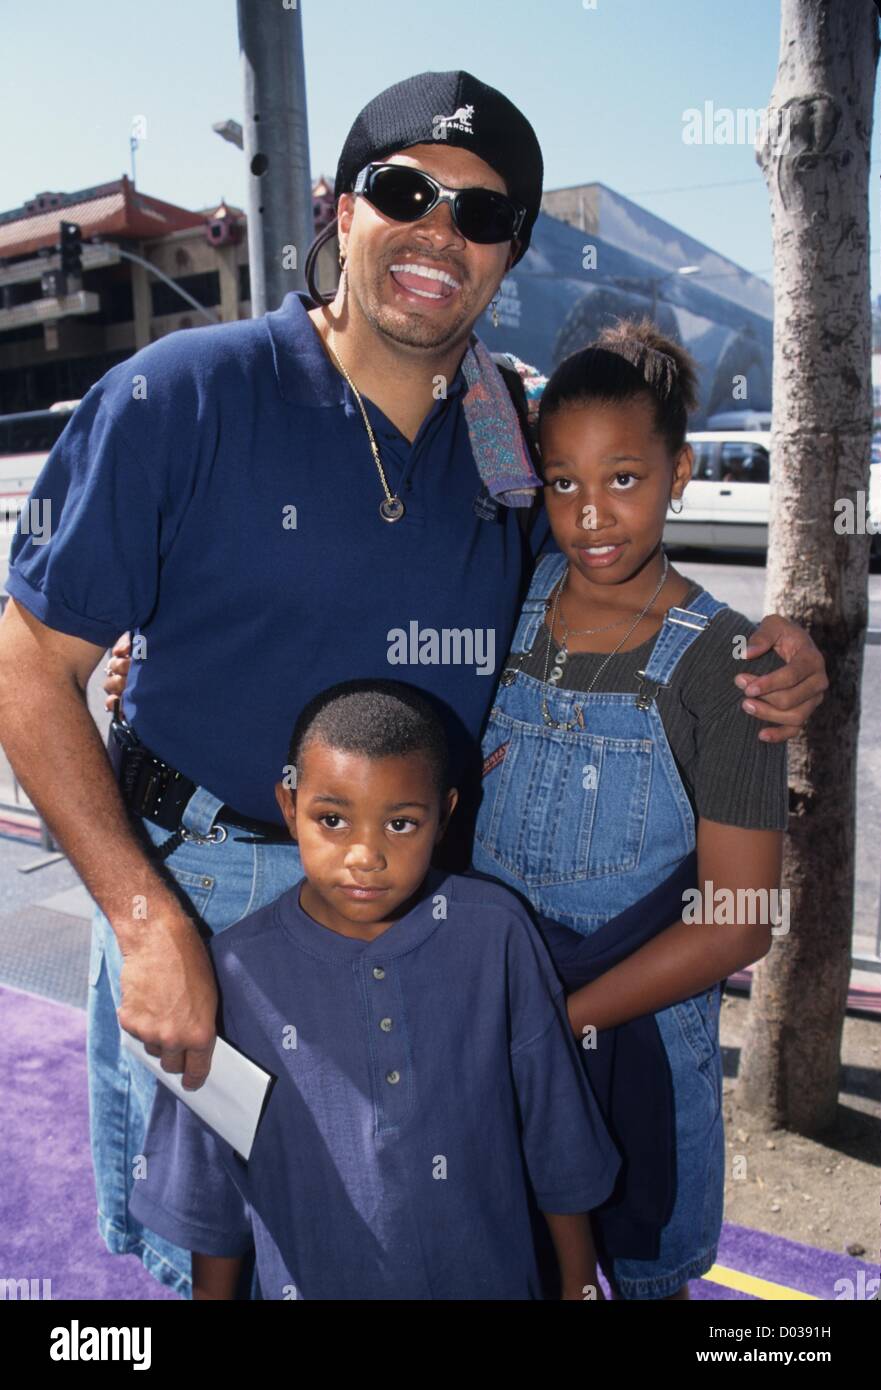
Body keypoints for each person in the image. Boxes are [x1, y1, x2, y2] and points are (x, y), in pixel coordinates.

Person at [0, 69, 826, 1297]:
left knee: (405, 1249)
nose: (442, 232)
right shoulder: (179, 396)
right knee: (217, 1261)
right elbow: (27, 666)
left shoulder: (516, 444)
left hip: (431, 911)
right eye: (406, 192)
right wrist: (140, 914)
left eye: (483, 216)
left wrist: (787, 638)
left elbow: (620, 576)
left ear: (509, 256)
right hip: (209, 901)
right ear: (341, 209)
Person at [471, 320, 789, 1301]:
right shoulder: (510, 602)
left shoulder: (724, 659)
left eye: (623, 478)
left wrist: (556, 1020)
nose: (591, 515)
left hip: (633, 1036)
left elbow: (737, 922)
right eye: (562, 482)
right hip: (500, 1012)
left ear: (679, 470)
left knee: (643, 1273)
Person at [129, 679, 620, 1300]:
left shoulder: (496, 933)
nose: (365, 855)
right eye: (332, 819)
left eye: (401, 823)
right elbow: (210, 1188)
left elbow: (557, 1130)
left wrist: (579, 1282)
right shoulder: (229, 973)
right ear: (289, 805)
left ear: (444, 814)